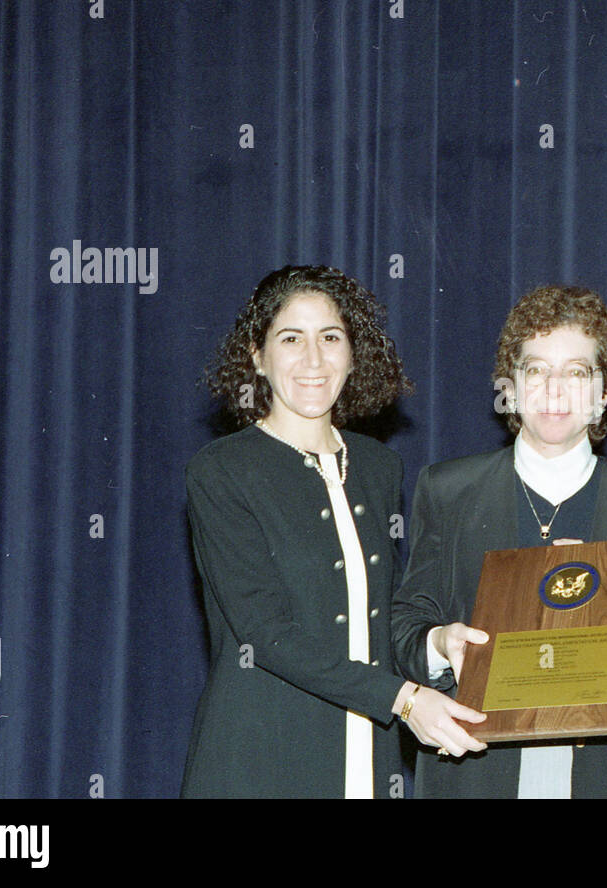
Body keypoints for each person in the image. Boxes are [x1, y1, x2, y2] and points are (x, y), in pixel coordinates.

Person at [182, 265, 486, 798]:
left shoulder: (377, 466)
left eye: (330, 337)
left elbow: (379, 615)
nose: (313, 360)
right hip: (259, 762)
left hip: (369, 761)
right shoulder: (221, 470)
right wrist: (406, 701)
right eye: (291, 339)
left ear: (353, 352)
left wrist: (436, 644)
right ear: (258, 355)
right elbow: (266, 634)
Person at [392, 285, 607, 798]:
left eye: (577, 373)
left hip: (604, 780)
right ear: (509, 387)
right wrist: (442, 644)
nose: (555, 391)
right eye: (536, 370)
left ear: (604, 394)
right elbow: (403, 628)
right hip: (473, 774)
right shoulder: (446, 491)